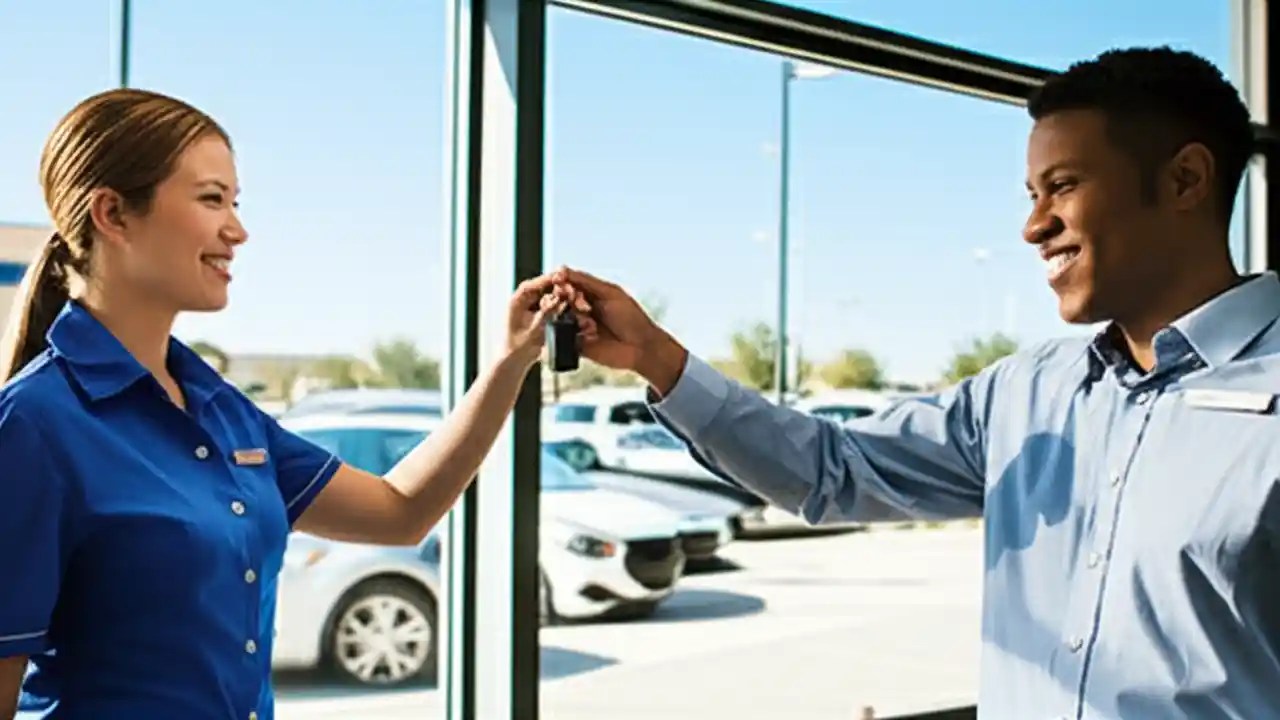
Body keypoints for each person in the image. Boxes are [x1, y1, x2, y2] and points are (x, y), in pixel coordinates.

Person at [556, 47, 1280, 718]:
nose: (1034, 226)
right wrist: (656, 357)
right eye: (1031, 192)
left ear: (1184, 180)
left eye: (1062, 186)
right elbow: (830, 469)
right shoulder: (1021, 396)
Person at [0, 88, 590, 720]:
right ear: (113, 214)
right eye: (211, 199)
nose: (238, 229)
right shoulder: (33, 425)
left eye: (235, 200)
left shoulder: (223, 411)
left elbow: (401, 512)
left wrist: (509, 362)